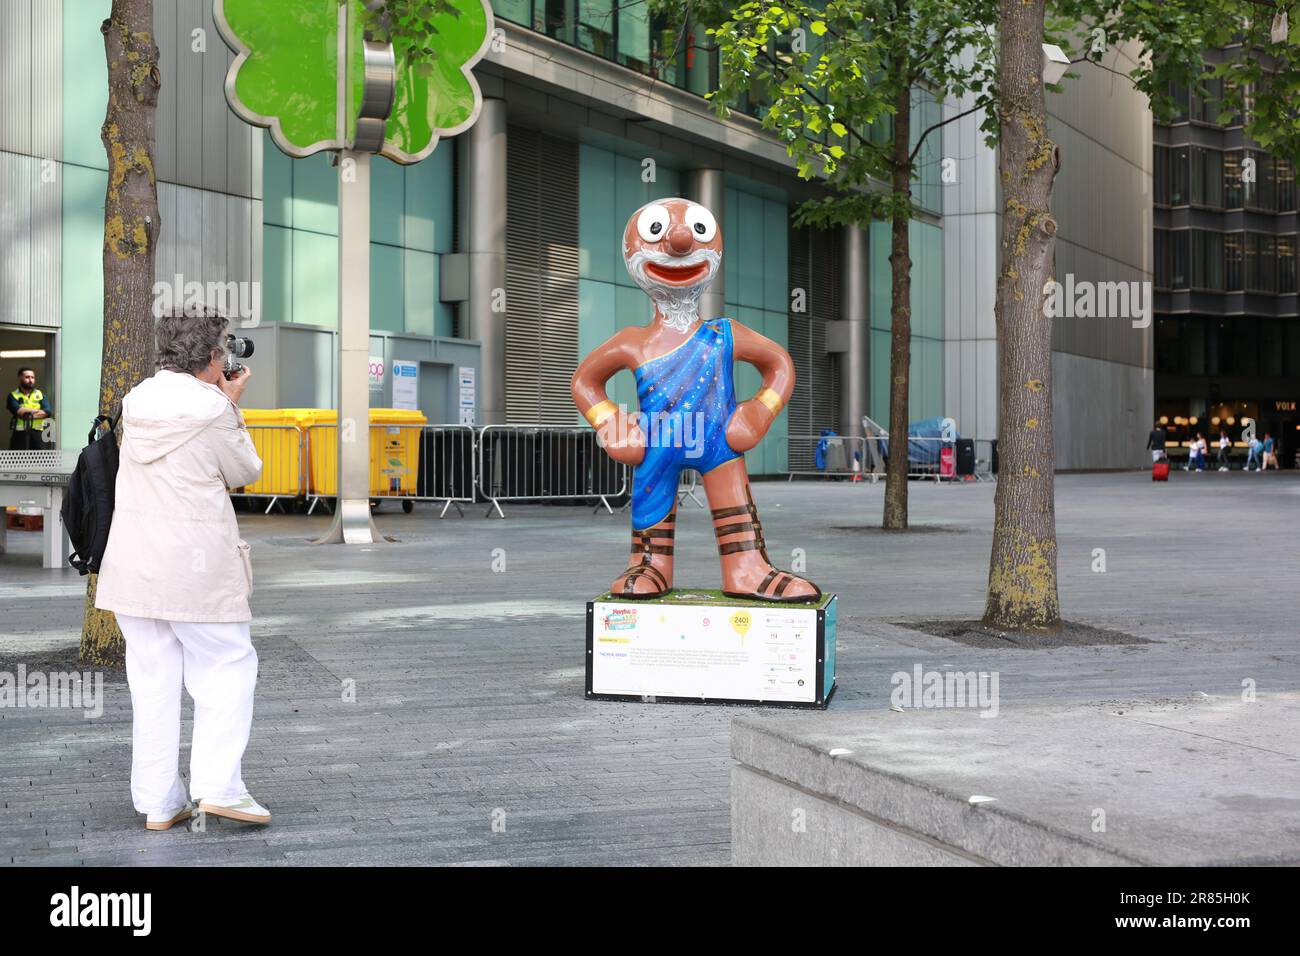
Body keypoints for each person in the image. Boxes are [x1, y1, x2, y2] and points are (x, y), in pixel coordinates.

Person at [571, 198, 818, 601]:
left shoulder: (726, 334)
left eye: (696, 231)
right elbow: (585, 381)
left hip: (719, 441)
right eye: (658, 232)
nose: (681, 241)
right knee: (652, 501)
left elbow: (779, 365)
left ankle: (747, 567)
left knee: (732, 495)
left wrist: (760, 410)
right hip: (657, 445)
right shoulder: (633, 342)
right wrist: (611, 425)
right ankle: (650, 564)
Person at [94, 309, 269, 831]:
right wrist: (229, 404)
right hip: (197, 573)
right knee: (227, 666)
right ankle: (220, 787)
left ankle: (159, 801)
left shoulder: (137, 401)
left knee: (152, 683)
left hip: (134, 571)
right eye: (224, 352)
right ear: (215, 359)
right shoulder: (212, 408)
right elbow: (245, 471)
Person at [6, 367, 52, 450]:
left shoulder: (40, 395)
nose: (31, 380)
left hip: (38, 435)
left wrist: (27, 414)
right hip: (20, 435)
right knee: (17, 460)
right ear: (20, 378)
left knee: (39, 461)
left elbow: (47, 412)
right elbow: (19, 412)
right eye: (27, 377)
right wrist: (36, 411)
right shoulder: (13, 395)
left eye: (32, 377)